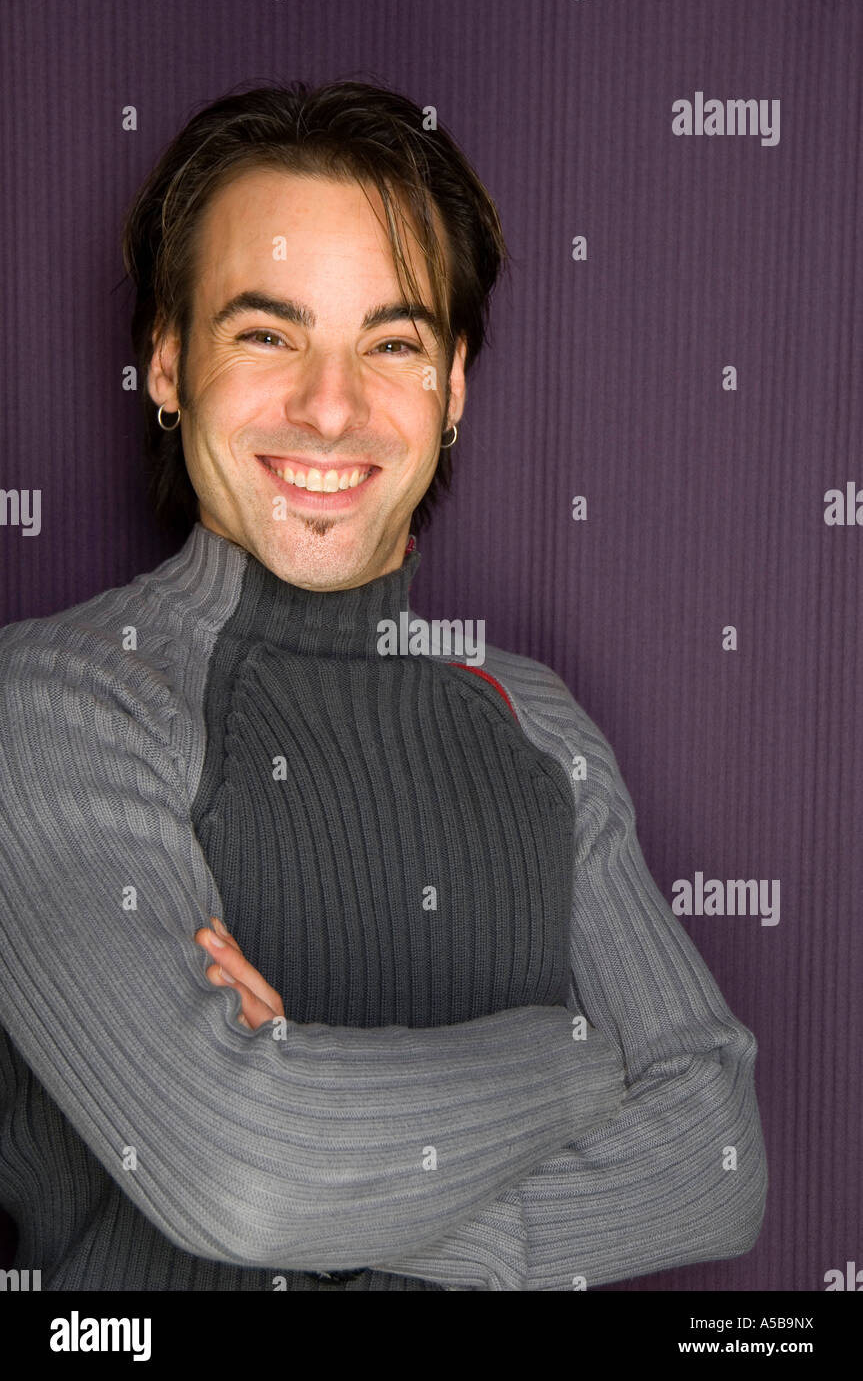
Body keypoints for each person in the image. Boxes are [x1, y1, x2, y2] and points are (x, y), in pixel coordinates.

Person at [0, 79, 767, 1291]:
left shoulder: (535, 719)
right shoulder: (52, 707)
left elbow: (719, 1155)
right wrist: (579, 1053)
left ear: (450, 389)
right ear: (164, 361)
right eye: (267, 332)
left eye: (392, 341)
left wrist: (337, 1115)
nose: (330, 405)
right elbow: (248, 1177)